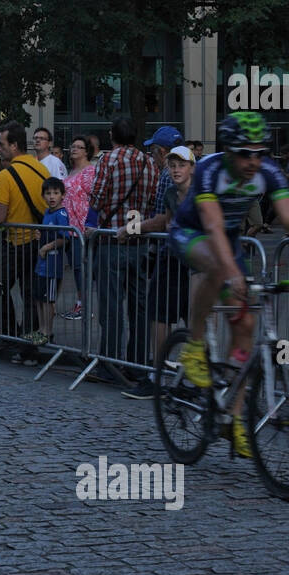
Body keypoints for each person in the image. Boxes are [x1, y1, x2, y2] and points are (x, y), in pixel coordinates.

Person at [168, 112, 289, 456]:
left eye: (260, 152)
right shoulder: (212, 171)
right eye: (245, 153)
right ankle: (194, 346)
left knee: (246, 323)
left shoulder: (268, 172)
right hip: (191, 232)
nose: (253, 161)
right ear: (228, 150)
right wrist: (233, 274)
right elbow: (211, 228)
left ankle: (233, 416)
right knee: (216, 267)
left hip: (227, 238)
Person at [124, 145, 195, 400]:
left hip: (196, 263)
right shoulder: (170, 193)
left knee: (195, 317)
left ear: (192, 168)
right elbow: (163, 221)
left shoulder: (201, 195)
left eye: (181, 165)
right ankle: (158, 374)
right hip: (170, 259)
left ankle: (198, 376)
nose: (176, 169)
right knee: (159, 314)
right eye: (172, 165)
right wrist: (132, 229)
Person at [89, 115, 158, 368]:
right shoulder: (149, 163)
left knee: (111, 307)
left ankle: (110, 362)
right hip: (139, 241)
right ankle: (137, 363)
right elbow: (152, 202)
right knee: (139, 307)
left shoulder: (108, 159)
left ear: (112, 135)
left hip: (111, 240)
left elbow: (96, 199)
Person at [0, 122, 50, 352]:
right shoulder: (41, 170)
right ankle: (28, 344)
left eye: (2, 144)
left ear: (14, 145)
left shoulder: (5, 176)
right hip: (38, 242)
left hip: (14, 243)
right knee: (30, 294)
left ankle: (9, 336)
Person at [32, 177, 70, 345]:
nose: (52, 197)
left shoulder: (61, 214)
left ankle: (48, 331)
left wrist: (46, 247)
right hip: (42, 264)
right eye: (48, 193)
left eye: (56, 193)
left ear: (62, 195)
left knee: (48, 300)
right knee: (39, 298)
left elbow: (64, 238)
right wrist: (39, 235)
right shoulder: (47, 213)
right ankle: (41, 329)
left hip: (53, 265)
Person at [60, 135, 95, 320]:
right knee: (76, 268)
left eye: (79, 147)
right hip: (69, 228)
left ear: (86, 151)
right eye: (72, 146)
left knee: (81, 268)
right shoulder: (71, 171)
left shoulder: (90, 172)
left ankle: (84, 306)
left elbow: (94, 199)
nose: (74, 149)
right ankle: (80, 303)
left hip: (81, 229)